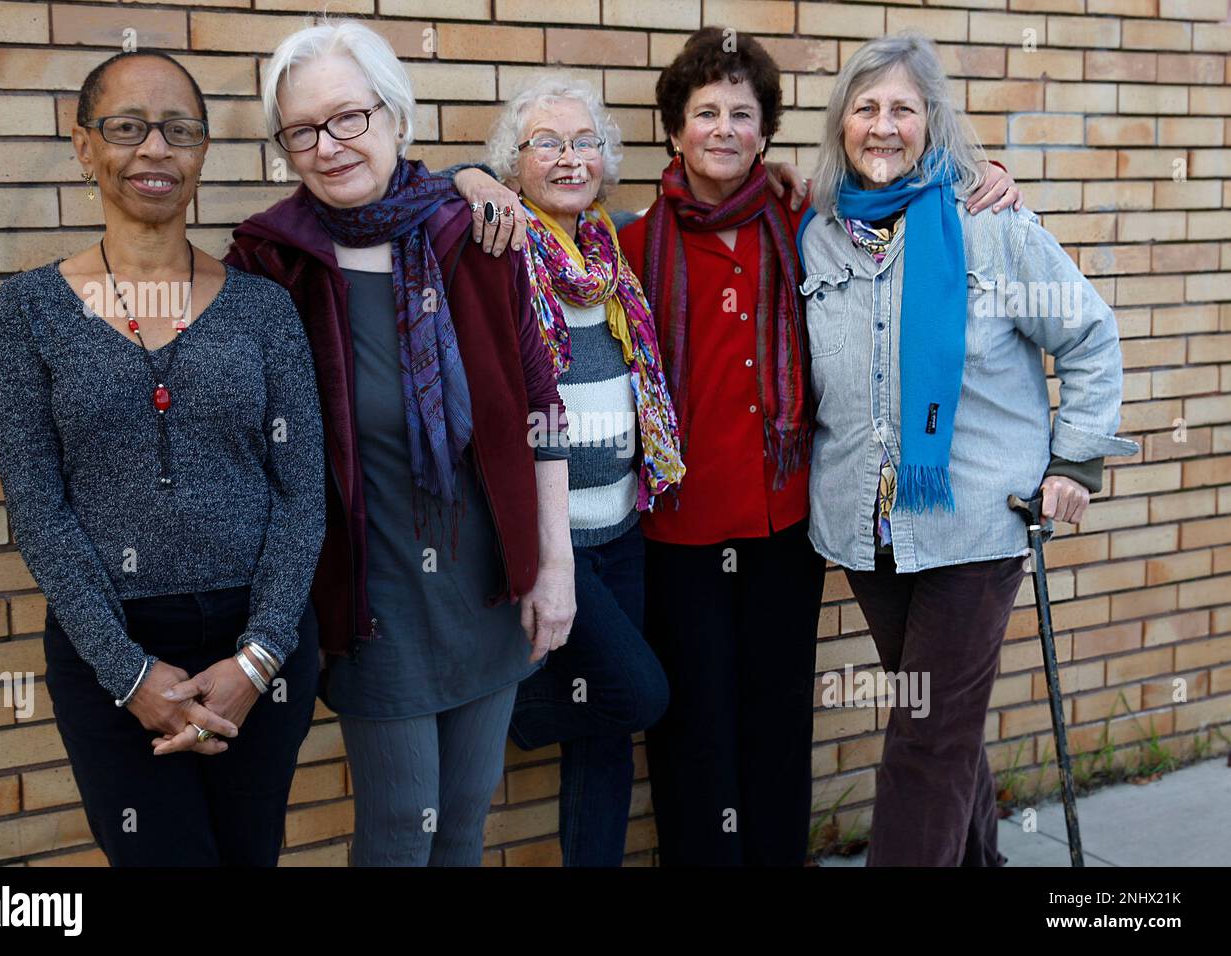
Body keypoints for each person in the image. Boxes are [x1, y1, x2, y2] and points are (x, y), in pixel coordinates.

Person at [617, 26, 1023, 866]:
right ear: (674, 130)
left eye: (742, 112)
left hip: (783, 528)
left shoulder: (806, 224)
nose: (723, 128)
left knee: (777, 724)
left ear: (766, 133)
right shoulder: (628, 248)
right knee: (692, 726)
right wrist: (481, 180)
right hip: (679, 530)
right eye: (704, 113)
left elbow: (919, 199)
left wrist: (987, 178)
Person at [223, 18, 575, 867]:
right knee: (395, 835)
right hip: (369, 598)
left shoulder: (475, 232)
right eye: (303, 130)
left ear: (394, 113)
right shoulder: (273, 262)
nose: (331, 145)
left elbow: (541, 403)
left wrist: (553, 566)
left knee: (460, 829)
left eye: (350, 117)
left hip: (487, 590)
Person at [797, 31, 1138, 866]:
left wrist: (1075, 462)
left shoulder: (992, 226)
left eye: (903, 109)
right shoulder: (814, 232)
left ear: (932, 122)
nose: (883, 126)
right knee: (943, 729)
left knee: (923, 735)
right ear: (842, 123)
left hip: (977, 523)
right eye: (866, 108)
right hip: (865, 527)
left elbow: (1090, 335)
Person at [0, 50, 325, 866]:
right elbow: (36, 507)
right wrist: (130, 674)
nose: (155, 151)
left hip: (258, 646)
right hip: (111, 648)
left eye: (179, 130)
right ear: (84, 146)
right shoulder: (29, 309)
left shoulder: (263, 307)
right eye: (128, 128)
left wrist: (258, 656)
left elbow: (303, 491)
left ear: (203, 150)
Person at [468, 75, 680, 866]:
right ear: (511, 165)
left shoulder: (614, 247)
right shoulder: (491, 244)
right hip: (551, 540)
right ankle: (509, 706)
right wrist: (471, 179)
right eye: (546, 143)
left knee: (606, 739)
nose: (569, 158)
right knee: (641, 693)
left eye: (584, 141)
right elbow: (424, 186)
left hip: (621, 528)